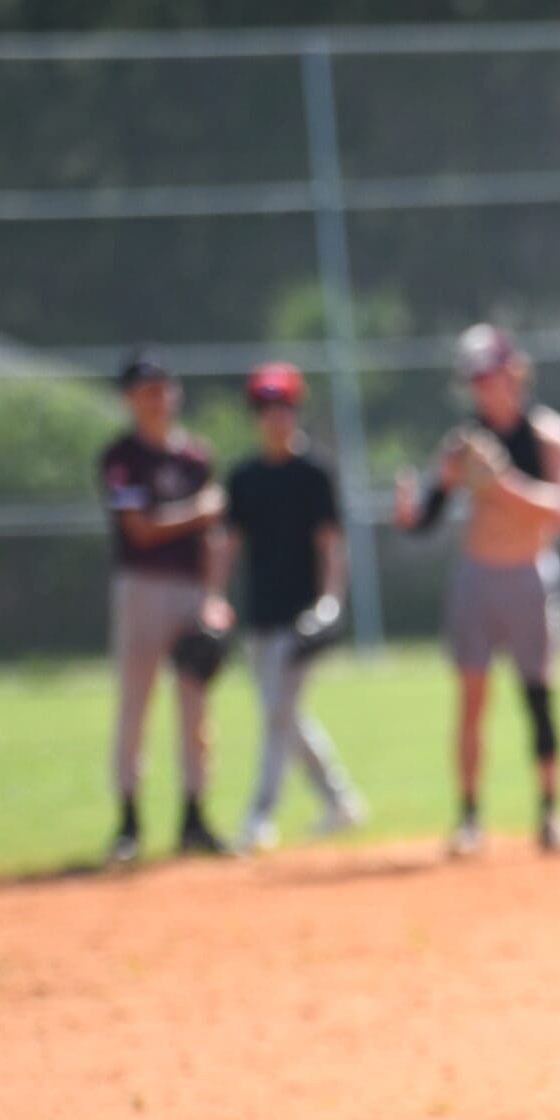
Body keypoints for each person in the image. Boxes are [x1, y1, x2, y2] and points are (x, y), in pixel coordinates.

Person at [393, 325, 560, 857]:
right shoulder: (462, 442)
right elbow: (428, 511)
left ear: (514, 372)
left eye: (490, 376)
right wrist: (410, 513)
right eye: (474, 380)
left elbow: (559, 511)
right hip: (477, 576)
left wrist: (501, 484)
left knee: (538, 696)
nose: (482, 389)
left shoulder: (549, 436)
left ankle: (549, 814)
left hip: (529, 573)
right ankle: (470, 818)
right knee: (472, 699)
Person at [223, 361, 367, 854]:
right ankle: (341, 801)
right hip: (258, 615)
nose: (275, 416)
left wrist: (329, 604)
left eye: (283, 406)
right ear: (255, 414)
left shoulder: (313, 473)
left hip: (301, 617)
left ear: (295, 410)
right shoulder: (243, 478)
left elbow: (331, 545)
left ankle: (259, 817)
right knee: (284, 715)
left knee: (276, 717)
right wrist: (213, 600)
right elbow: (229, 546)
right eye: (265, 407)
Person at [98, 349, 229, 864]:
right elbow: (140, 530)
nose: (159, 398)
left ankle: (194, 818)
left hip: (192, 588)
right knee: (136, 703)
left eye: (164, 387)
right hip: (142, 586)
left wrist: (216, 599)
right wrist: (197, 511)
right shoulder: (121, 458)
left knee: (196, 708)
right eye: (146, 389)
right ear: (130, 399)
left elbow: (216, 536)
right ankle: (129, 823)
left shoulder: (196, 457)